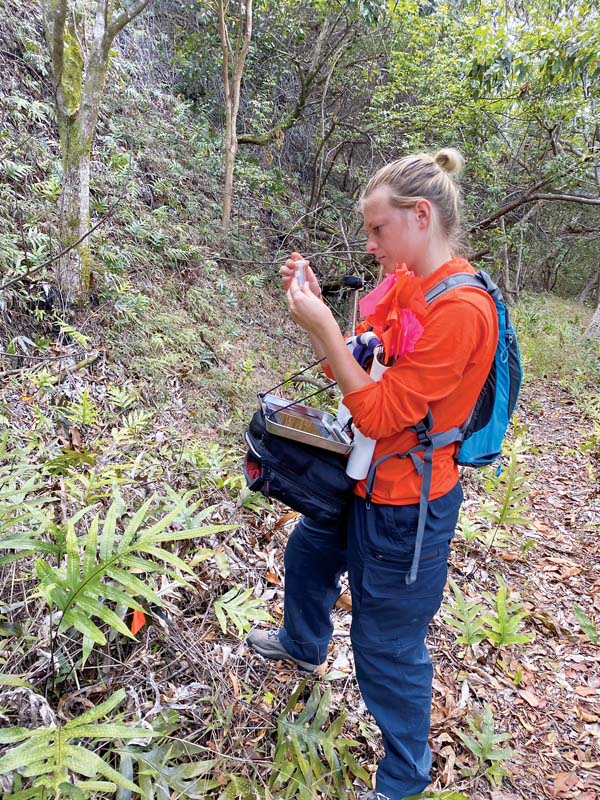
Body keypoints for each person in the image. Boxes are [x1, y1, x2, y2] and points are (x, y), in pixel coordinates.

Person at [247, 148, 498, 800]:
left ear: (421, 216)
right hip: (357, 474)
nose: (369, 243)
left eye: (377, 229)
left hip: (406, 504)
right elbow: (353, 374)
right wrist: (315, 312)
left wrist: (326, 327)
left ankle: (405, 779)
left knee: (385, 645)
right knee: (307, 556)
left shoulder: (462, 311)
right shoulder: (404, 281)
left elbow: (386, 414)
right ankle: (303, 644)